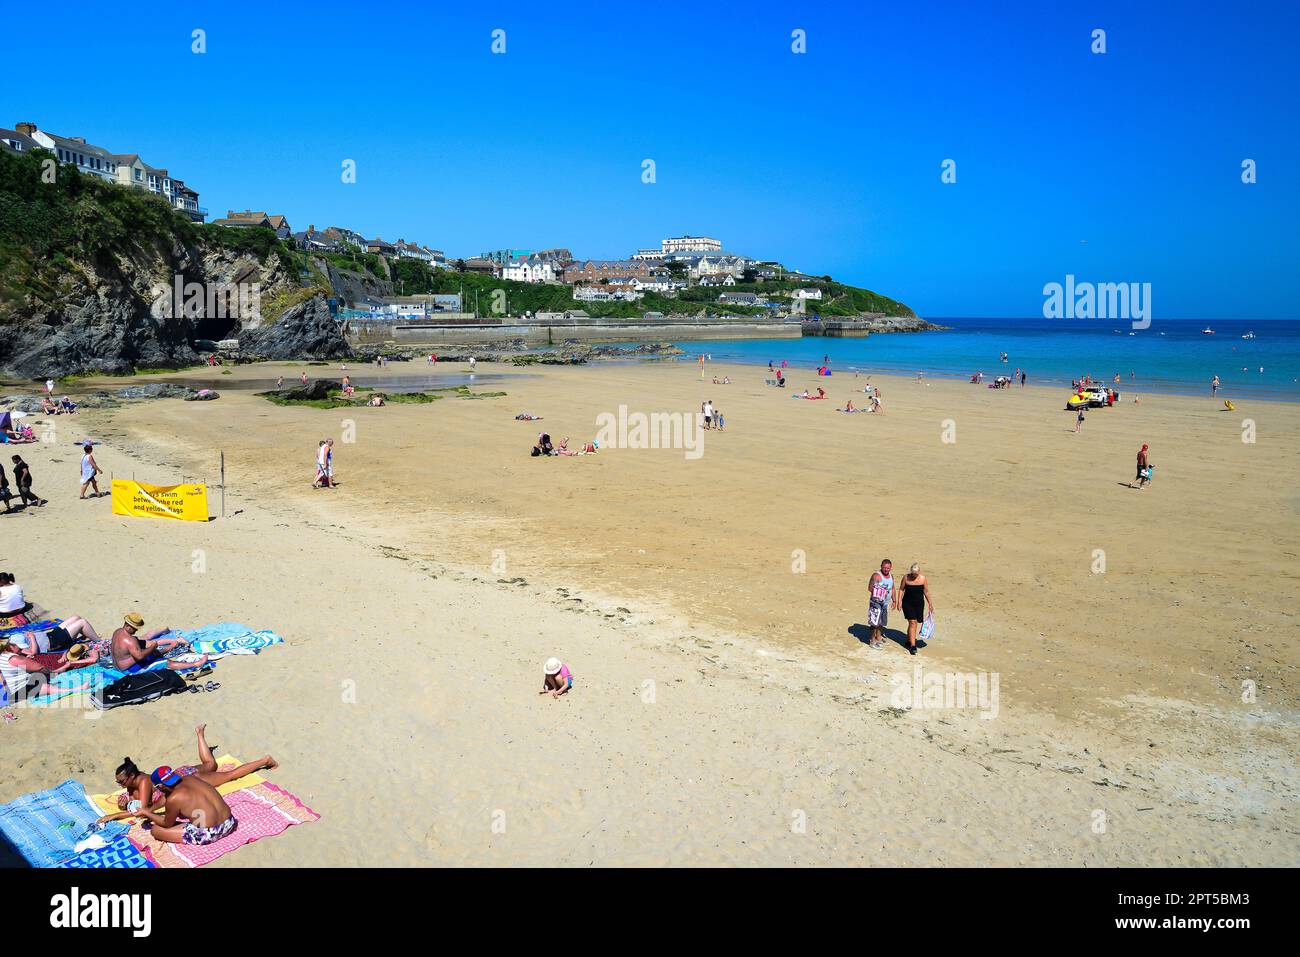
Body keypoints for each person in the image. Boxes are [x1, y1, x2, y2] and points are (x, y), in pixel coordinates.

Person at [114, 724, 278, 814]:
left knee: (229, 775)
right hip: (179, 773)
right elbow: (139, 803)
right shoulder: (132, 783)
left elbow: (143, 809)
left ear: (132, 776)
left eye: (121, 781)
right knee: (211, 765)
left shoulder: (143, 782)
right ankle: (200, 735)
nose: (120, 784)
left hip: (187, 779)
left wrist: (113, 816)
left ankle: (265, 760)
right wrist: (126, 803)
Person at [132, 765, 237, 846]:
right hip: (230, 822)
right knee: (192, 816)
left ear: (160, 786)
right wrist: (150, 809)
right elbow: (167, 796)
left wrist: (146, 813)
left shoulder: (174, 798)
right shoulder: (192, 778)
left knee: (156, 830)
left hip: (211, 833)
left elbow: (166, 824)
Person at [110, 612, 196, 673]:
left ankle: (169, 647)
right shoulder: (130, 640)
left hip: (118, 666)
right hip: (128, 670)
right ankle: (196, 664)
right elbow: (139, 656)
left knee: (150, 651)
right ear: (128, 625)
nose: (136, 630)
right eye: (135, 628)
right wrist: (153, 646)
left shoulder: (117, 631)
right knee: (166, 663)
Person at [10, 616, 103, 656]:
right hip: (54, 642)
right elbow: (33, 652)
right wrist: (32, 637)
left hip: (50, 635)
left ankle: (85, 635)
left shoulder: (13, 640)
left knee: (76, 617)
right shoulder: (19, 651)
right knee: (82, 622)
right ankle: (100, 643)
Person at [895, 563, 934, 656]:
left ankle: (909, 640)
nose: (913, 576)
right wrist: (899, 601)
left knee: (914, 622)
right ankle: (913, 646)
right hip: (907, 603)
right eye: (912, 574)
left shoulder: (923, 579)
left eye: (915, 574)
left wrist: (930, 603)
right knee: (913, 622)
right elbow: (901, 589)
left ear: (919, 572)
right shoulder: (906, 578)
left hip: (919, 604)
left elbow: (926, 591)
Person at [867, 560, 894, 649]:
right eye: (884, 567)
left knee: (881, 622)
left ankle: (878, 637)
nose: (886, 569)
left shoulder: (891, 576)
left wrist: (894, 600)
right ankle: (872, 640)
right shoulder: (876, 576)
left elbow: (892, 588)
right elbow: (870, 588)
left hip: (885, 603)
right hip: (876, 603)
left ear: (891, 568)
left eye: (888, 568)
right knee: (875, 622)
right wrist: (880, 592)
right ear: (881, 566)